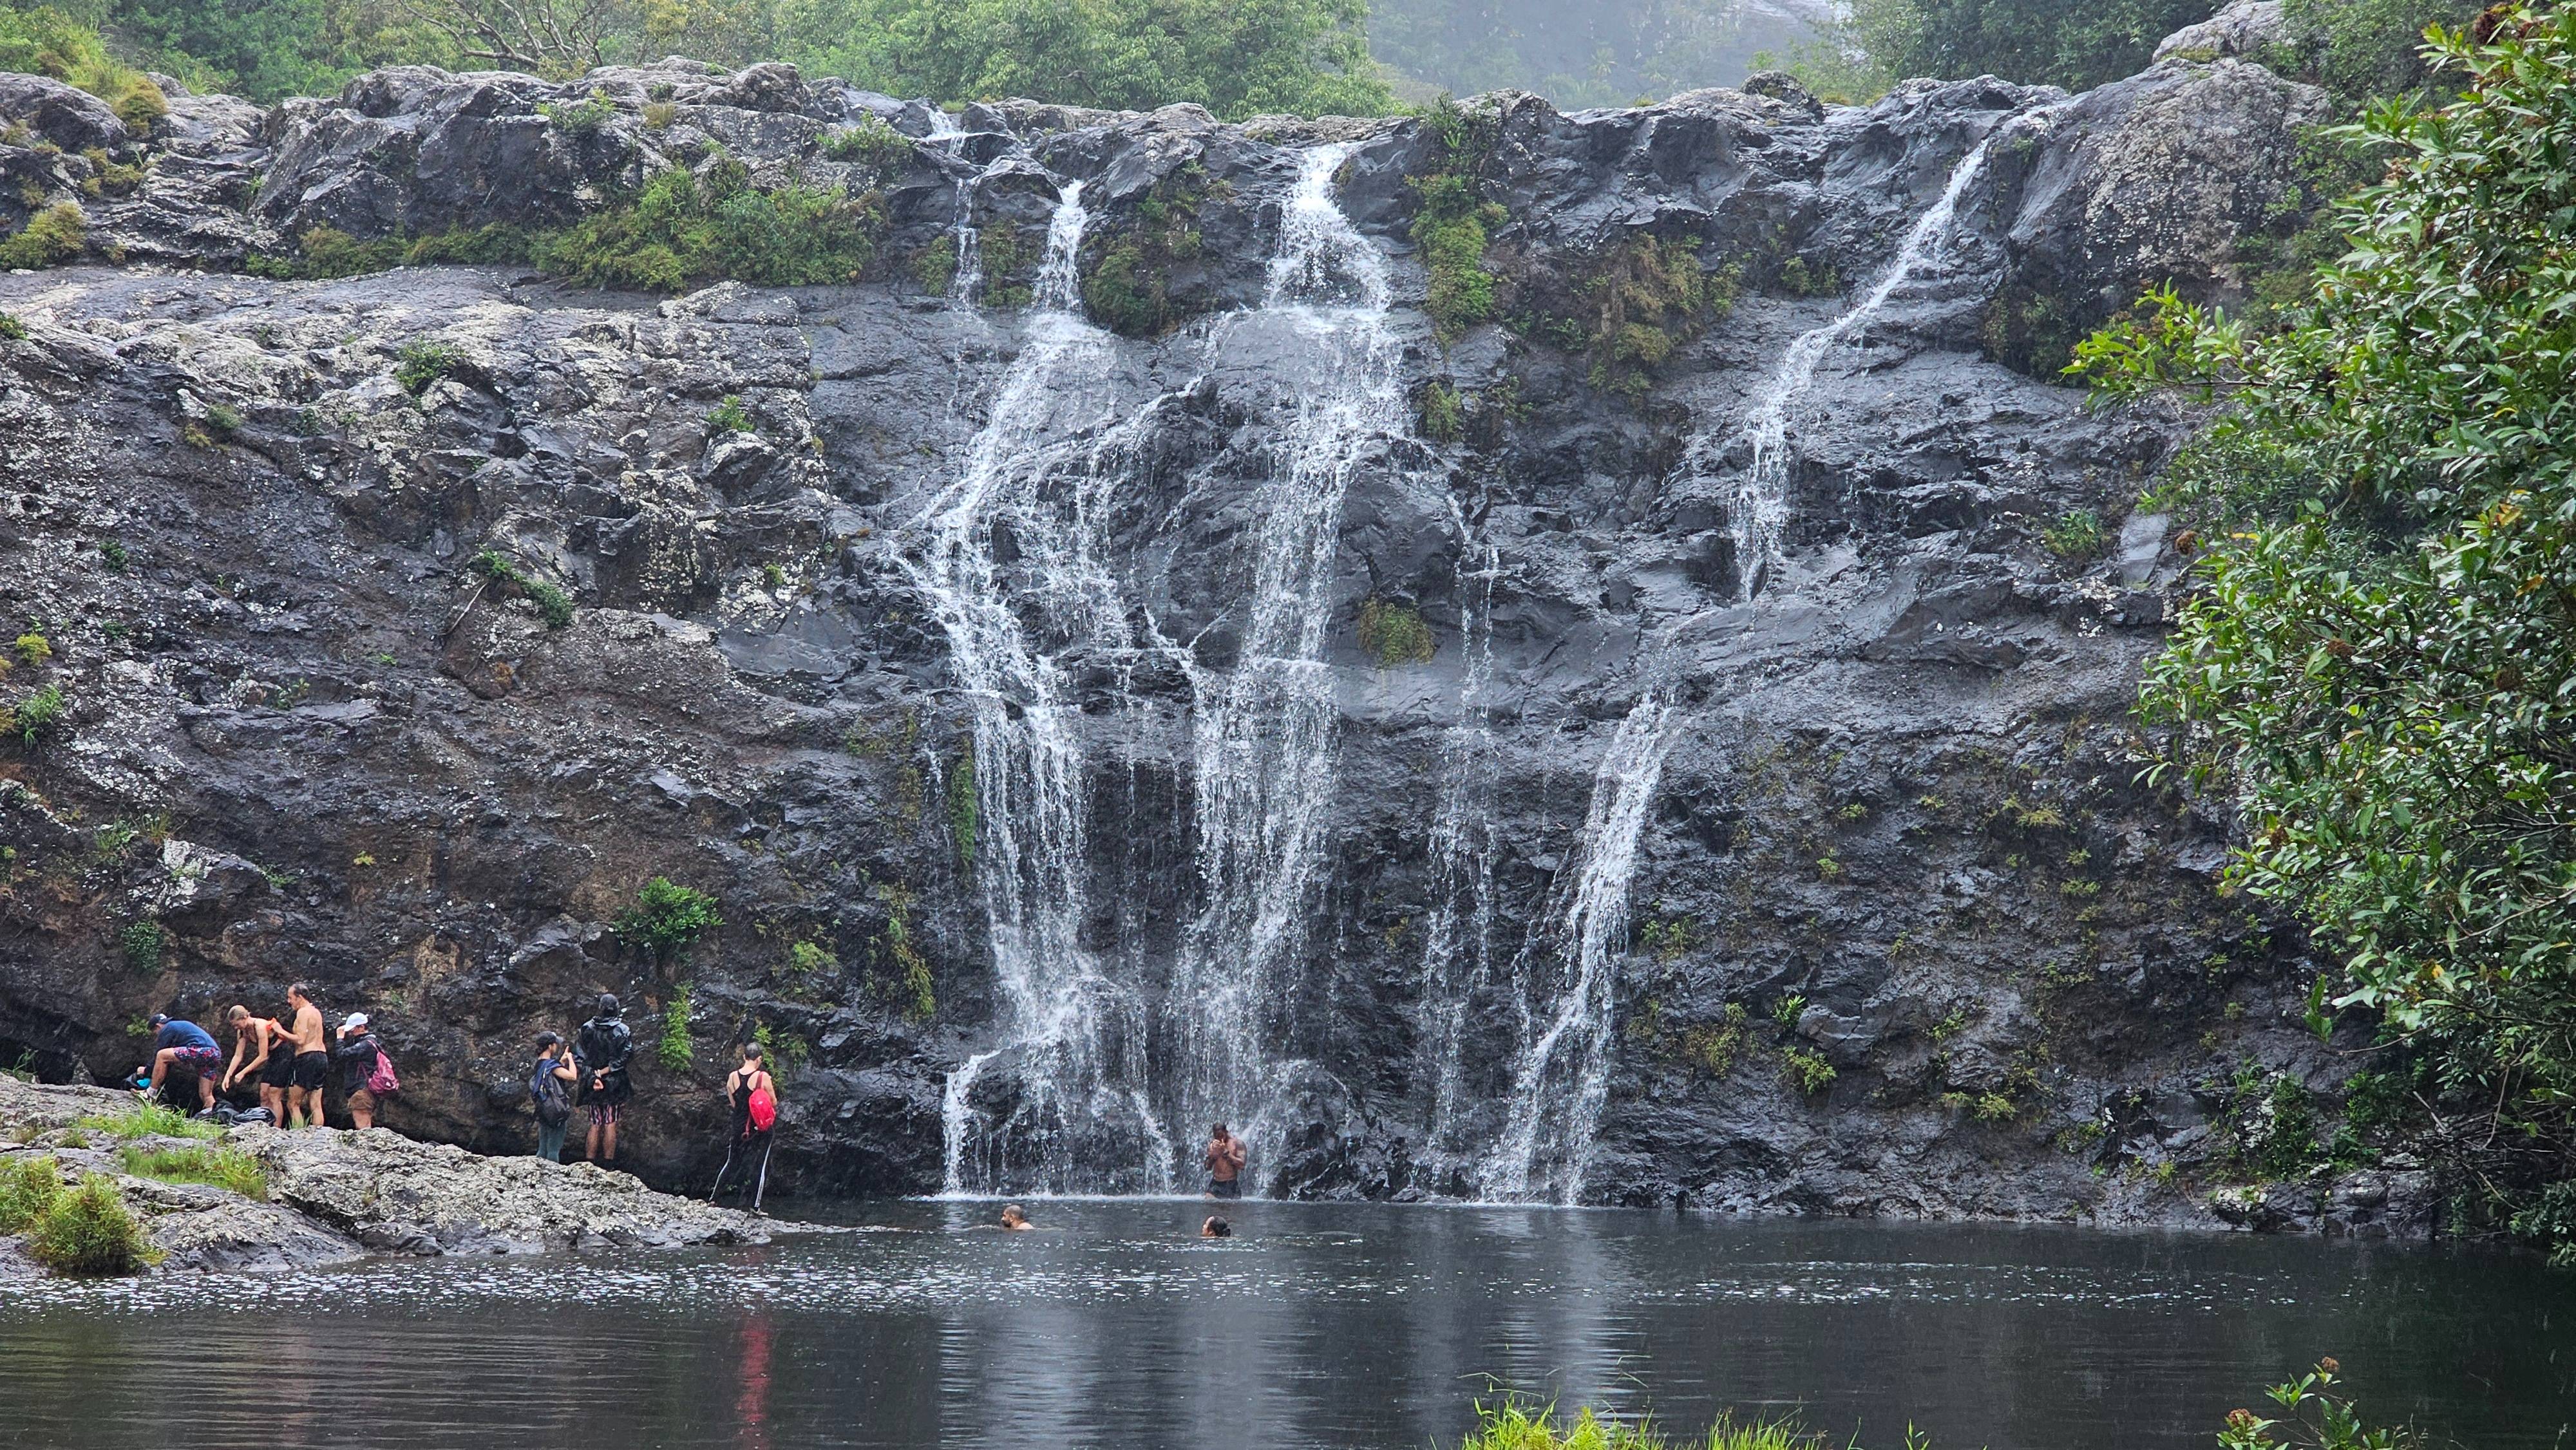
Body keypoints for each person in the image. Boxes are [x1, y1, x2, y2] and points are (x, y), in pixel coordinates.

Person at [709, 1042, 777, 1212]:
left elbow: (734, 1103)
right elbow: (773, 1102)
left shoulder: (732, 1077)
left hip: (738, 1127)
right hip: (759, 1128)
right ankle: (755, 1206)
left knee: (732, 1163)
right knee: (759, 1166)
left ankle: (714, 1200)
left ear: (744, 1057)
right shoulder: (763, 1077)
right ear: (759, 1059)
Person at [574, 994, 633, 1166]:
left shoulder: (587, 1028)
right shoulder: (622, 1030)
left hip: (592, 1082)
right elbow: (626, 1056)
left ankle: (589, 1163)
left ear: (600, 1007)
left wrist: (594, 1076)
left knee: (595, 1123)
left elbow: (580, 1057)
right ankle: (608, 1165)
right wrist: (605, 1071)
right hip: (614, 1083)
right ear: (616, 1008)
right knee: (610, 1123)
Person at [221, 1004, 293, 1124]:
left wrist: (243, 1073)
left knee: (274, 1094)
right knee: (263, 1093)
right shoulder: (242, 1031)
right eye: (233, 1025)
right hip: (272, 1056)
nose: (235, 1028)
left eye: (237, 1024)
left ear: (245, 1017)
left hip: (283, 1054)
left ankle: (277, 1128)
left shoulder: (259, 1026)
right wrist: (228, 1075)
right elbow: (238, 1055)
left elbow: (262, 1056)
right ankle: (265, 1124)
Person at [140, 1013, 222, 1113]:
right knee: (206, 1094)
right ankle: (214, 1115)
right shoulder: (178, 1026)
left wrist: (146, 1071)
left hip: (204, 1051)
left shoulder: (167, 1028)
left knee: (162, 1055)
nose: (157, 1035)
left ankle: (150, 1094)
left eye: (155, 1032)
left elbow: (158, 1055)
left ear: (158, 1026)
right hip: (215, 1054)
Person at [282, 983, 328, 1129]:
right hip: (322, 1057)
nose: (289, 1002)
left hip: (307, 1058)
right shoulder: (316, 1012)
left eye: (291, 998)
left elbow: (300, 1039)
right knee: (315, 1103)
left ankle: (299, 1135)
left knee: (293, 1103)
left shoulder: (303, 1012)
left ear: (300, 997)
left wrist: (280, 1031)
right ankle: (318, 1137)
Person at [530, 1031, 579, 1163]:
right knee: (553, 1148)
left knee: (543, 1147)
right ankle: (553, 1176)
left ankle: (537, 1173)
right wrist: (570, 1059)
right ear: (550, 1046)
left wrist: (560, 1062)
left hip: (543, 1107)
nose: (557, 1046)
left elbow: (551, 1075)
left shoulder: (539, 1064)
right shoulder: (552, 1065)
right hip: (556, 1109)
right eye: (555, 1044)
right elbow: (572, 1076)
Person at [332, 1013, 386, 1129]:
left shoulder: (365, 1045)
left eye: (353, 1029)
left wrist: (340, 1039)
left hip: (361, 1090)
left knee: (362, 1127)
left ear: (362, 1027)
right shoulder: (370, 1043)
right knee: (365, 1126)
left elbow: (342, 1054)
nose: (351, 1033)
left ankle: (366, 1147)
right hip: (365, 1089)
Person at [1204, 1122, 1246, 1200]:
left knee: (1231, 1210)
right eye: (1216, 1136)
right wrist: (1213, 1157)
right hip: (1216, 1183)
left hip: (1231, 1183)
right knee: (1209, 1205)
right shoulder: (1213, 1145)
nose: (1220, 1138)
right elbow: (1207, 1167)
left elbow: (1242, 1165)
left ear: (1226, 1132)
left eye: (1221, 1135)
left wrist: (1226, 1153)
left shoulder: (1238, 1144)